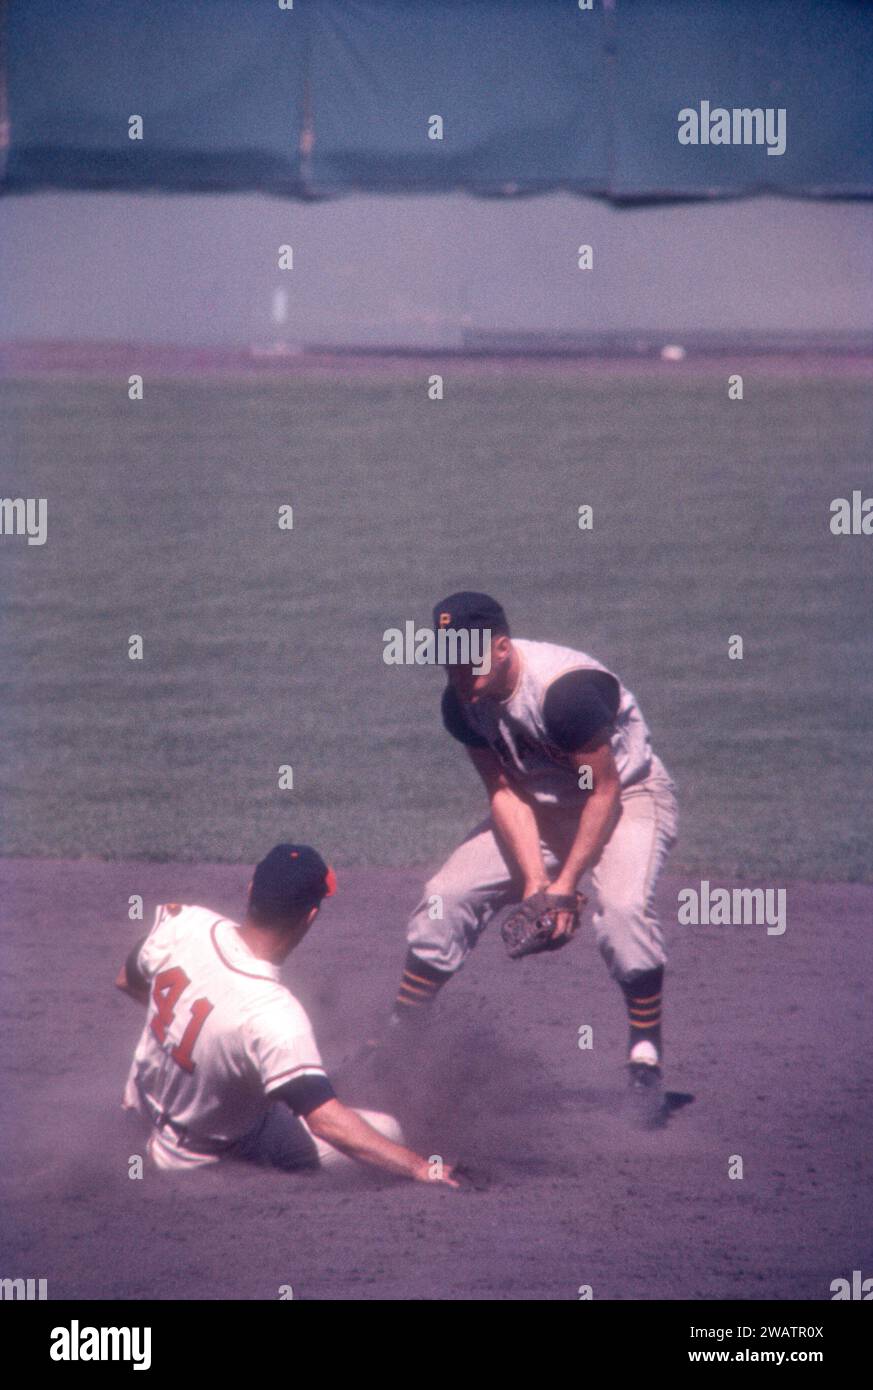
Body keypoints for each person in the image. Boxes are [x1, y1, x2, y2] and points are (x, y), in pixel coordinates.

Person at [385, 591, 678, 1089]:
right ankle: (399, 1036)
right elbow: (503, 792)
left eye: (469, 659)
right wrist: (534, 883)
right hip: (536, 805)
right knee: (445, 896)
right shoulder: (460, 704)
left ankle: (644, 1053)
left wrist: (565, 885)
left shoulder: (564, 694)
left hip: (627, 798)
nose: (459, 675)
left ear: (501, 648)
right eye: (449, 662)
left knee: (623, 908)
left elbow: (601, 791)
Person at [116, 842, 457, 1183]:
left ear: (251, 891)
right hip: (195, 1158)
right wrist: (420, 1167)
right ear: (310, 916)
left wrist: (197, 1032)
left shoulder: (186, 922)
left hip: (139, 1111)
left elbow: (126, 980)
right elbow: (325, 1121)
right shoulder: (274, 1014)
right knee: (387, 1131)